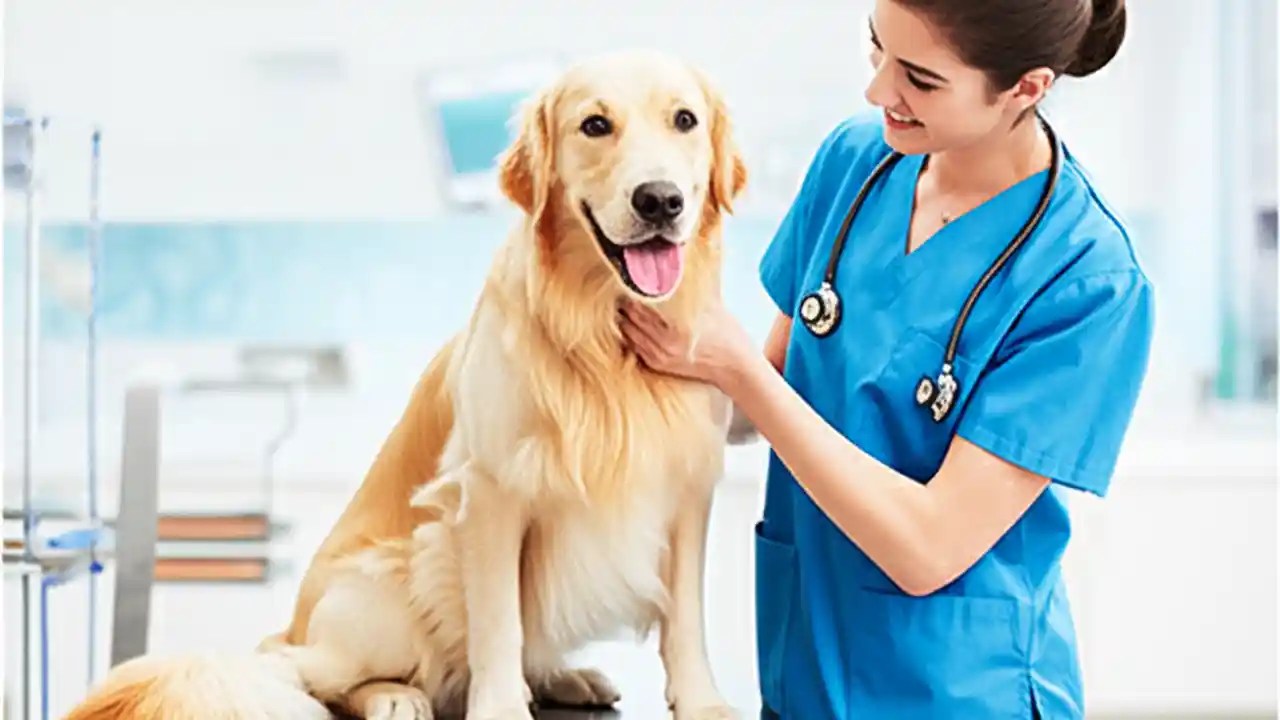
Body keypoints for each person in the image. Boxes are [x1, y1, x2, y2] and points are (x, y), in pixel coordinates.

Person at [617, 0, 1154, 717]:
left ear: (1026, 88)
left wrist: (733, 366)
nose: (878, 91)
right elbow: (765, 397)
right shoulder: (855, 163)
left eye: (920, 79)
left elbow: (928, 548)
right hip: (806, 676)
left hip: (957, 694)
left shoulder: (1086, 278)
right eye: (878, 50)